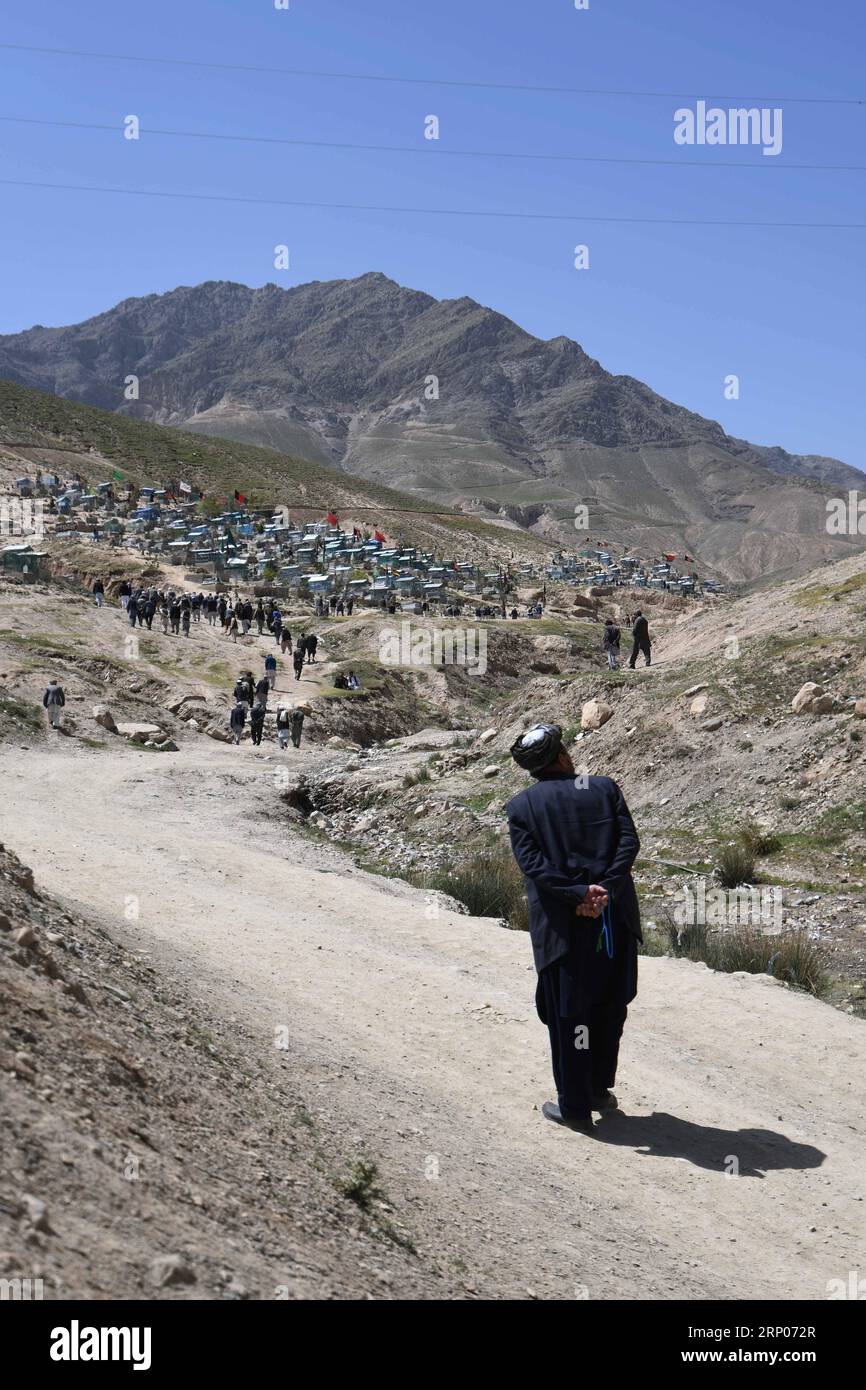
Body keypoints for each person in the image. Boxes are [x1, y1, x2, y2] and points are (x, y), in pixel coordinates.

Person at [506, 723, 641, 1135]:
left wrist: (579, 893)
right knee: (609, 1005)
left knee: (570, 1016)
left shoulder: (522, 806)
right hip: (612, 921)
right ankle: (598, 1088)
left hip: (563, 932)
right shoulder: (602, 788)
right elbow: (628, 843)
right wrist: (603, 892)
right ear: (562, 757)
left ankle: (576, 1106)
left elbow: (535, 867)